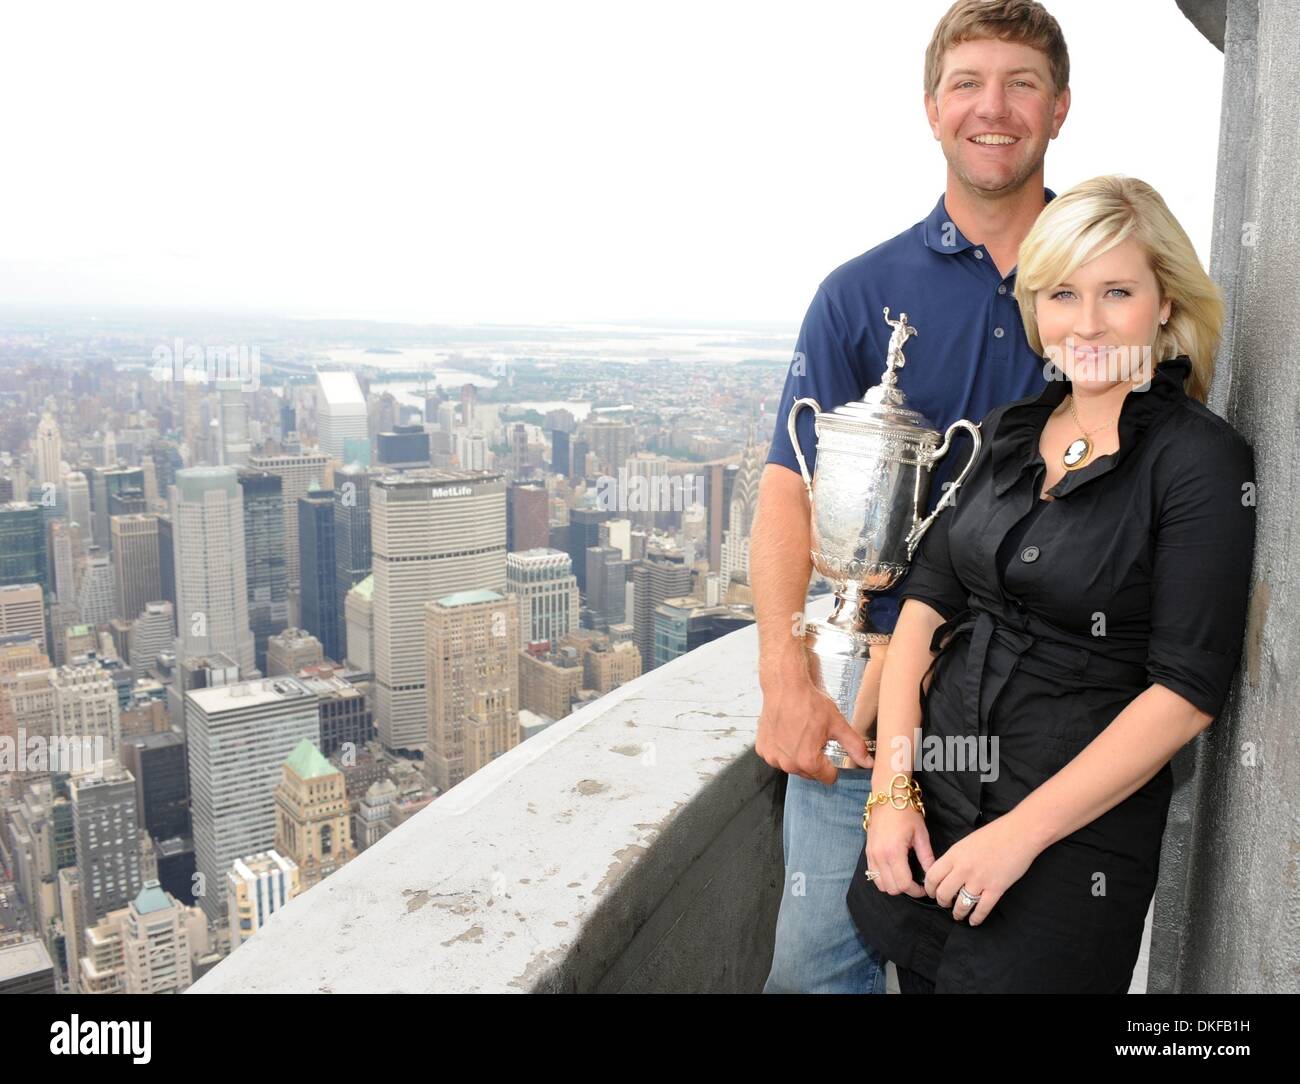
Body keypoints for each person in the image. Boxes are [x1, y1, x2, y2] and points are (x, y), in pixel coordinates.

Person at [844, 174, 1257, 994]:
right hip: (933, 817)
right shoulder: (1009, 431)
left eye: (1118, 291)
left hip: (1065, 854)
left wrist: (1017, 838)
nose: (1089, 322)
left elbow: (1186, 691)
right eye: (1063, 293)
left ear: (1165, 303)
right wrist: (891, 791)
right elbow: (927, 600)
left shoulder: (1200, 463)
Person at [755, 0, 1070, 993]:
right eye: (968, 83)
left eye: (1021, 83)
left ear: (1059, 108)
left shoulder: (1101, 290)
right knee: (814, 982)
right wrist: (785, 676)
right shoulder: (858, 293)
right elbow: (785, 490)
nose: (994, 108)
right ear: (931, 108)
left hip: (1033, 725)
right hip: (861, 712)